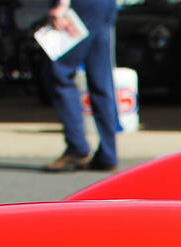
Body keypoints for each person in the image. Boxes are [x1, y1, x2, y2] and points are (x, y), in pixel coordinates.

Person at [44, 0, 119, 171]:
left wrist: (62, 5)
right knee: (101, 79)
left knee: (59, 73)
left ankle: (77, 148)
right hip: (105, 5)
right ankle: (108, 154)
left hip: (82, 6)